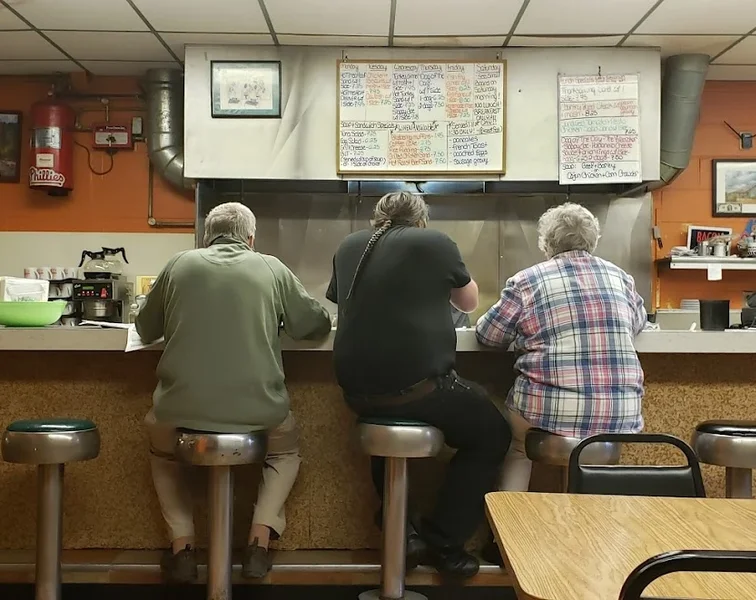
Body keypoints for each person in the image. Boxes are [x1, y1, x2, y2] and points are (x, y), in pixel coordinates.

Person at [135, 202, 331, 583]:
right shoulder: (271, 268)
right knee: (285, 451)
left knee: (162, 449)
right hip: (261, 414)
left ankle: (183, 547)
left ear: (207, 237)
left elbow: (144, 326)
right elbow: (315, 324)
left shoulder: (179, 264)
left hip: (180, 413)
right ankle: (259, 541)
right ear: (251, 238)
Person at [326, 191, 511, 579]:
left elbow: (338, 299)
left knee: (388, 419)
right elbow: (469, 302)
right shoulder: (435, 242)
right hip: (421, 387)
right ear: (420, 219)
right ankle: (444, 540)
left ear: (379, 218)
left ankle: (402, 530)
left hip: (358, 393)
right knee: (492, 434)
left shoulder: (349, 244)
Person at [476, 202, 647, 495]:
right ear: (593, 240)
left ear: (546, 243)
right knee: (596, 451)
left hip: (548, 410)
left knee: (517, 447)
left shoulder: (527, 280)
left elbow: (488, 335)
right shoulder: (621, 277)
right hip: (618, 414)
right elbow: (638, 322)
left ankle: (507, 534)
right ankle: (594, 537)